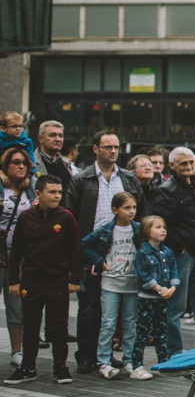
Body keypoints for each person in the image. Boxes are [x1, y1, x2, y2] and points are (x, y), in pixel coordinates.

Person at [64, 130, 143, 375]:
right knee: (89, 306)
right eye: (108, 147)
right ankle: (86, 356)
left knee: (116, 310)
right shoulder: (82, 179)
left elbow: (140, 212)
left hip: (123, 248)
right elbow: (71, 215)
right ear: (96, 149)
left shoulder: (128, 178)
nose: (113, 151)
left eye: (116, 147)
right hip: (93, 248)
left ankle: (106, 356)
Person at [3, 175, 79, 386]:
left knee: (59, 327)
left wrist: (75, 278)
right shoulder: (27, 218)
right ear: (38, 194)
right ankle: (27, 367)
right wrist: (13, 281)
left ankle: (60, 368)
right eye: (52, 192)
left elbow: (74, 250)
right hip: (31, 280)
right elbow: (16, 252)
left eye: (59, 193)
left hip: (57, 281)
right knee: (30, 326)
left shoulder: (66, 218)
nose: (57, 196)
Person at [148, 147, 195, 358]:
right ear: (172, 166)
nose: (188, 167)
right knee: (176, 306)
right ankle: (174, 352)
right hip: (182, 253)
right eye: (183, 164)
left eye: (190, 163)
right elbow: (159, 223)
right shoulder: (167, 189)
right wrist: (180, 245)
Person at [80, 192, 139, 380]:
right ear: (115, 210)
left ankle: (130, 361)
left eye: (134, 208)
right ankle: (103, 362)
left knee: (130, 323)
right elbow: (84, 245)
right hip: (110, 283)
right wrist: (99, 261)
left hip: (132, 284)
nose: (131, 212)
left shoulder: (139, 229)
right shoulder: (106, 230)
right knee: (108, 323)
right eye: (127, 208)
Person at [128, 216, 176, 380]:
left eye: (164, 227)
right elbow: (142, 275)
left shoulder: (167, 251)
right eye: (158, 227)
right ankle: (137, 366)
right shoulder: (142, 253)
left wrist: (173, 288)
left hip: (163, 298)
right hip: (147, 298)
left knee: (161, 332)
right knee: (142, 332)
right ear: (147, 232)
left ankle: (163, 363)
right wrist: (159, 288)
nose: (163, 230)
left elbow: (174, 270)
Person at [0, 147, 35, 367]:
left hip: (21, 257)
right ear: (5, 166)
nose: (21, 166)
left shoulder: (30, 188)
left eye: (24, 163)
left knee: (17, 306)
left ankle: (17, 351)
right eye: (16, 162)